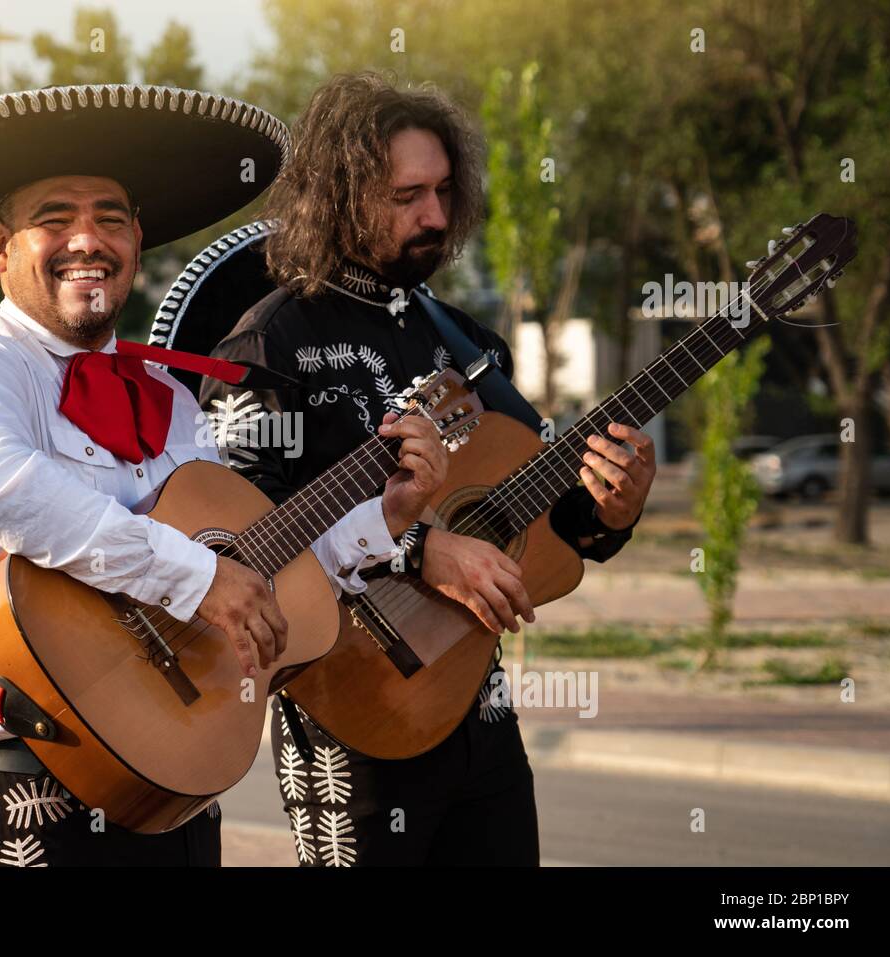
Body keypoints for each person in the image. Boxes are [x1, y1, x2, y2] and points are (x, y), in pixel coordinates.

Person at [0, 82, 447, 866]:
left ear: (136, 242)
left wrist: (381, 519)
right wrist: (192, 575)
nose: (88, 239)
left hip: (178, 790)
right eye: (54, 218)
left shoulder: (171, 400)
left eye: (110, 219)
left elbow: (249, 565)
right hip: (34, 787)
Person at [198, 73, 657, 866]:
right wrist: (419, 551)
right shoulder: (270, 346)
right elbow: (237, 545)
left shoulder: (471, 342)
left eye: (445, 191)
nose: (437, 217)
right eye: (407, 195)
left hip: (481, 710)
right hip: (351, 710)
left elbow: (539, 522)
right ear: (339, 196)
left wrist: (612, 511)